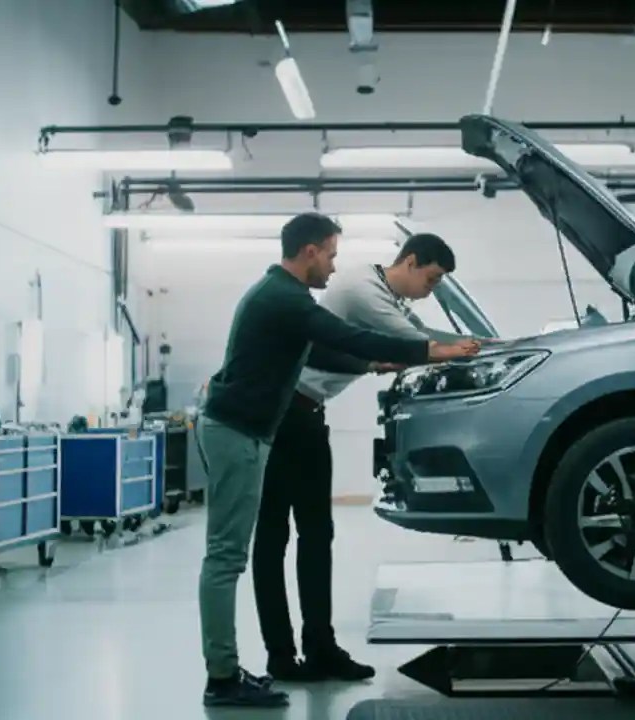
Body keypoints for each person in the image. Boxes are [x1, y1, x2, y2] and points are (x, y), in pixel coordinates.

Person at [196, 215, 480, 708]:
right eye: (329, 253)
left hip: (256, 427)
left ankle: (296, 655)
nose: (333, 264)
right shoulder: (287, 298)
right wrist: (431, 352)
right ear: (309, 252)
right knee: (235, 553)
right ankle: (228, 676)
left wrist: (374, 364)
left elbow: (327, 348)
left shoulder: (281, 295)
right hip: (246, 430)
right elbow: (351, 337)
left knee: (292, 539)